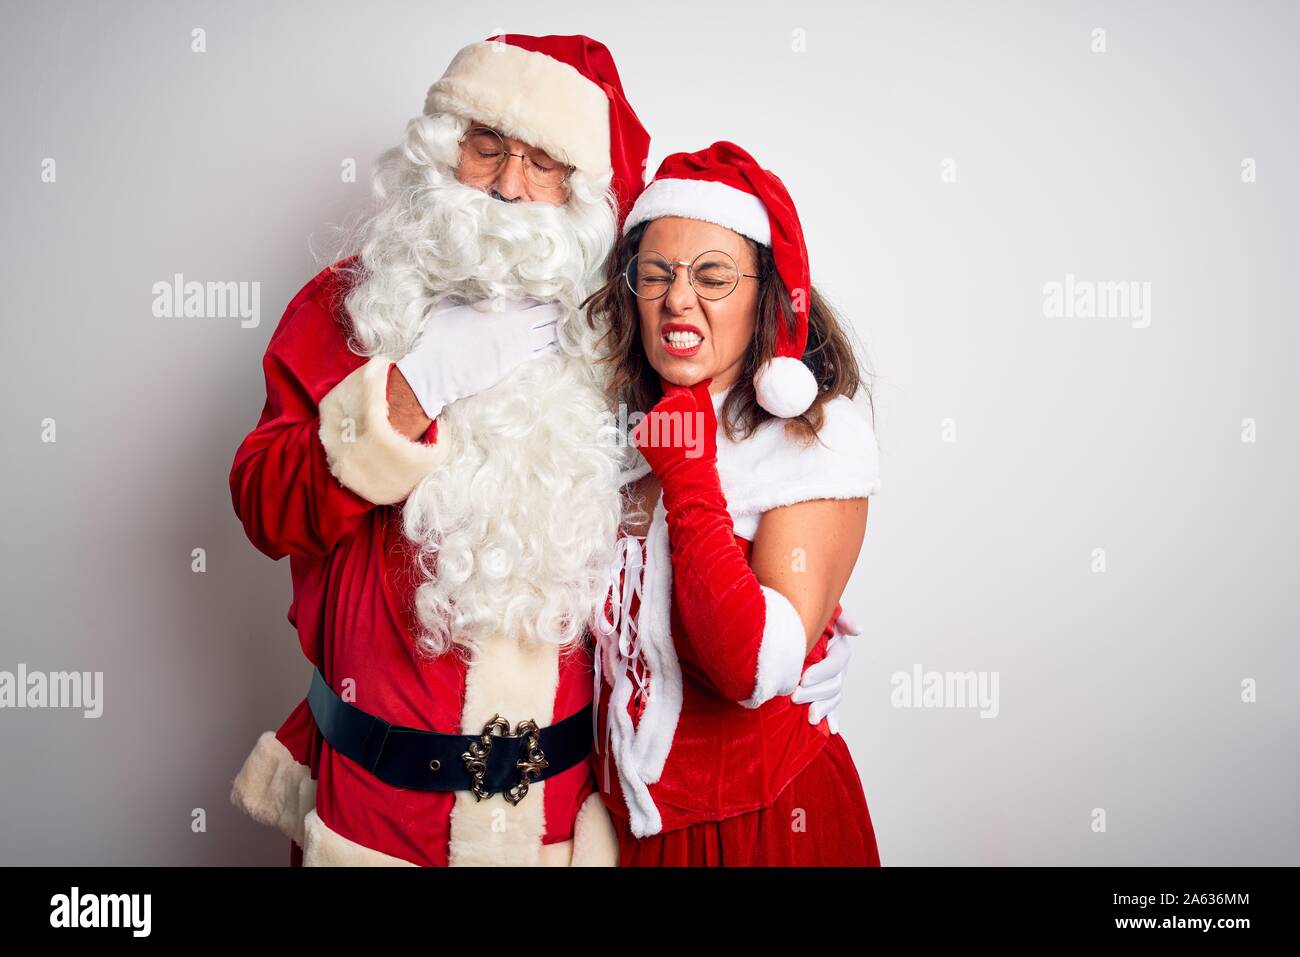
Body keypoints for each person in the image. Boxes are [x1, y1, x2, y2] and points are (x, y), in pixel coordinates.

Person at [228, 36, 849, 867]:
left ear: (585, 190)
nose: (512, 187)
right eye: (487, 147)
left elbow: (732, 479)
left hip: (559, 825)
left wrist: (802, 638)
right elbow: (267, 508)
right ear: (444, 153)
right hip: (375, 816)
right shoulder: (359, 309)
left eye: (545, 161)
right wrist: (416, 384)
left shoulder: (622, 341)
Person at [584, 141, 883, 865]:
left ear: (767, 296)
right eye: (654, 274)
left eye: (712, 276)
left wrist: (691, 475)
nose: (677, 298)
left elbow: (748, 670)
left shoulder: (814, 438)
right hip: (629, 835)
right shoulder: (619, 438)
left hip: (762, 830)